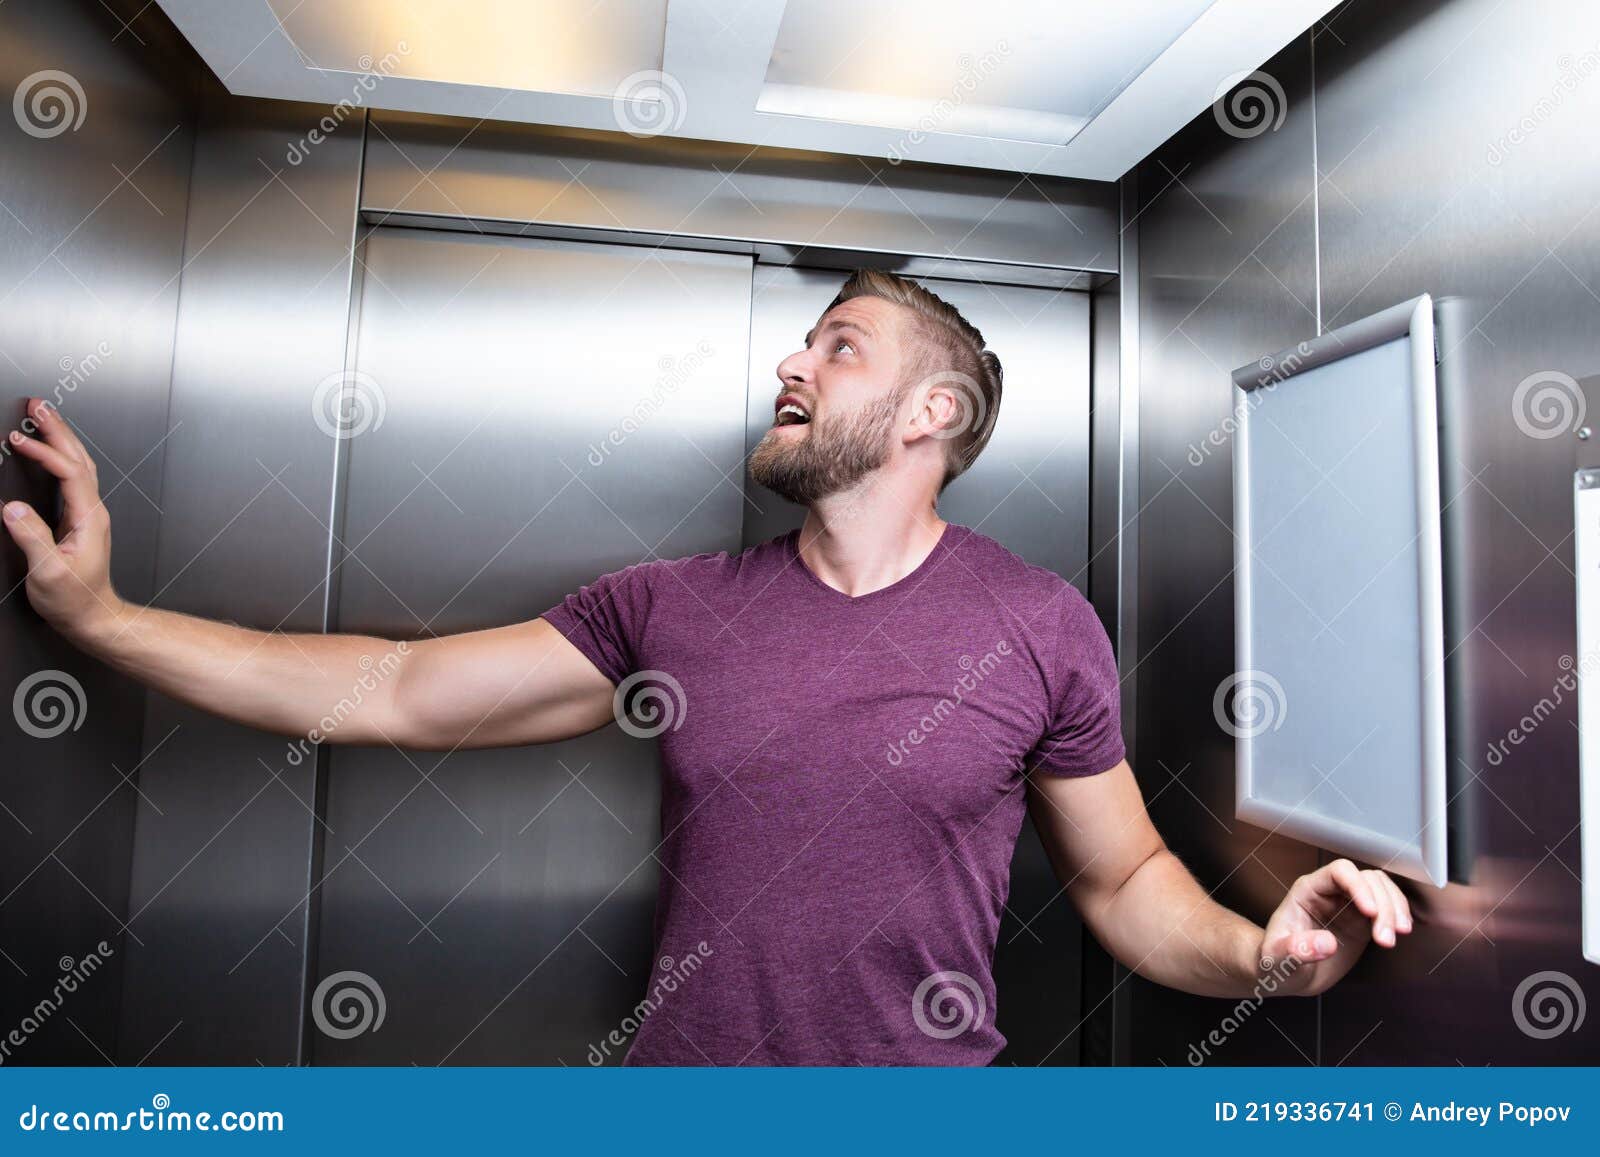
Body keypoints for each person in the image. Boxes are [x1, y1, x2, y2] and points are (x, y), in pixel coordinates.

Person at [2, 270, 1412, 1065]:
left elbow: (1121, 876)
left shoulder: (1042, 625)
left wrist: (1260, 957)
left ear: (935, 413)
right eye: (802, 342)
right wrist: (105, 621)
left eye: (838, 346)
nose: (794, 367)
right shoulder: (667, 610)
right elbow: (402, 690)